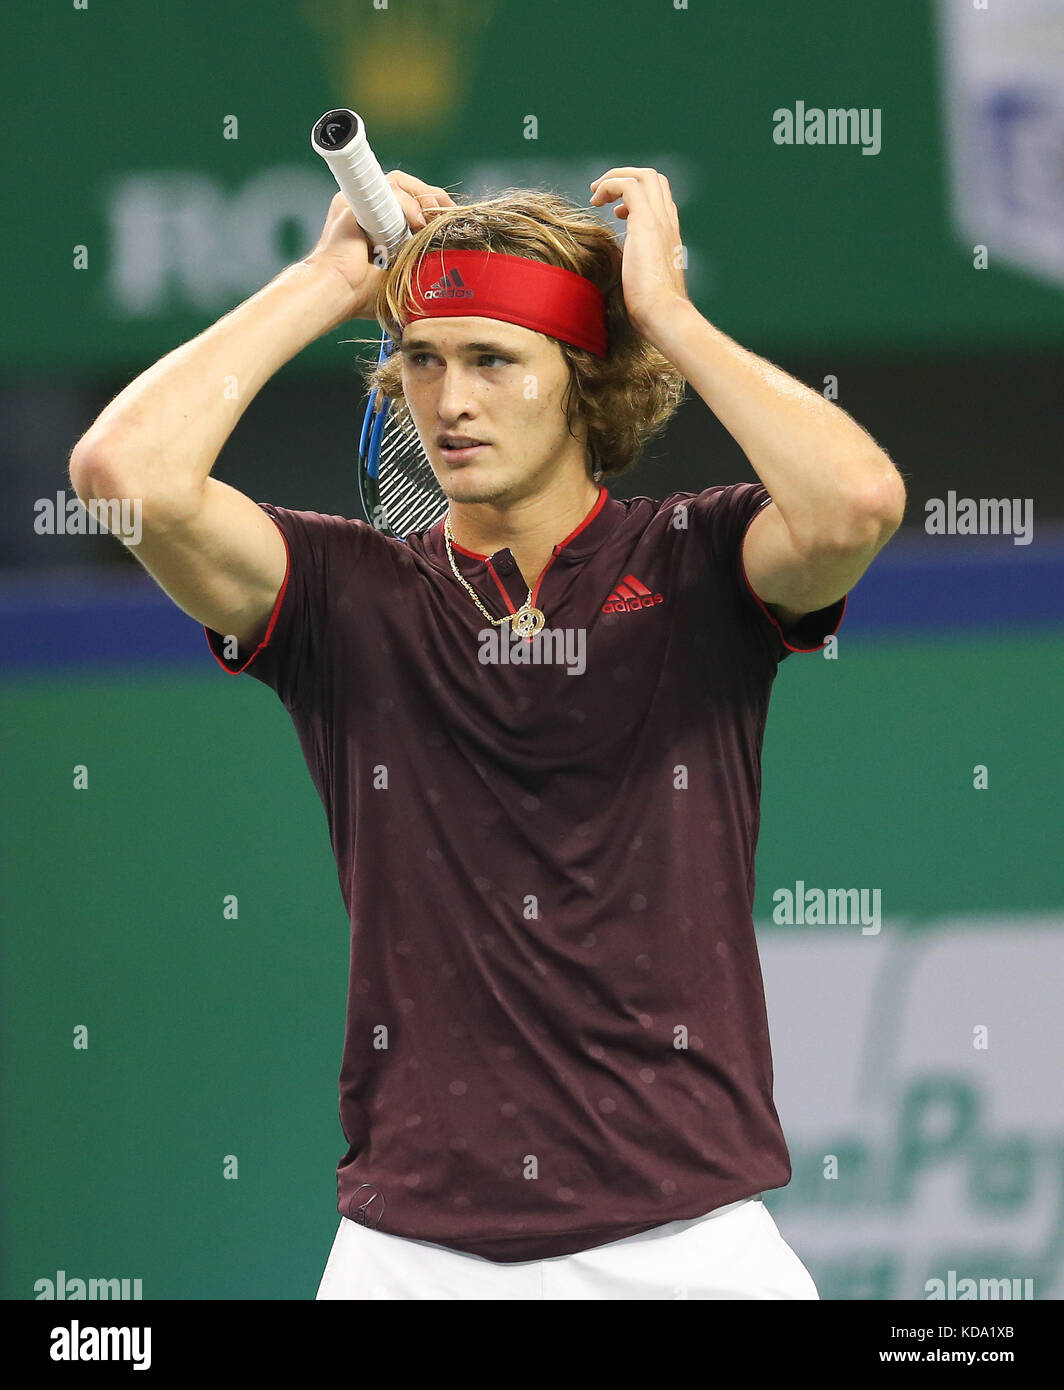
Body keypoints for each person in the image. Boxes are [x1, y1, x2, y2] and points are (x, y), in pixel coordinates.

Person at [69, 166, 906, 1300]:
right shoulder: (338, 593)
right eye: (421, 359)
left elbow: (854, 502)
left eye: (492, 360)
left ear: (584, 382)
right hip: (407, 1257)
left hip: (690, 1247)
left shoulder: (697, 560)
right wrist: (320, 283)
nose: (448, 400)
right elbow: (125, 479)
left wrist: (665, 313)